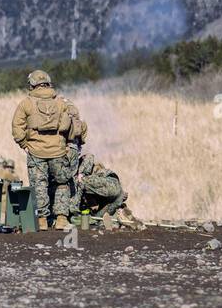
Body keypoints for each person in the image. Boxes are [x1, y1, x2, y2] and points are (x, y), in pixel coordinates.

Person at [11, 69, 76, 230]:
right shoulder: (61, 102)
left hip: (35, 151)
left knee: (39, 184)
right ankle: (61, 219)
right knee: (62, 183)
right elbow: (71, 127)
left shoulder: (26, 103)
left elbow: (17, 127)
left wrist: (24, 144)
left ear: (32, 84)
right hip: (58, 151)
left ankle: (42, 220)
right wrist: (66, 144)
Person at [76, 154, 142, 228]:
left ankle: (119, 216)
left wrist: (82, 179)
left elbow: (112, 189)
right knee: (100, 218)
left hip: (109, 190)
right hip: (112, 200)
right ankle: (120, 217)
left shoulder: (94, 172)